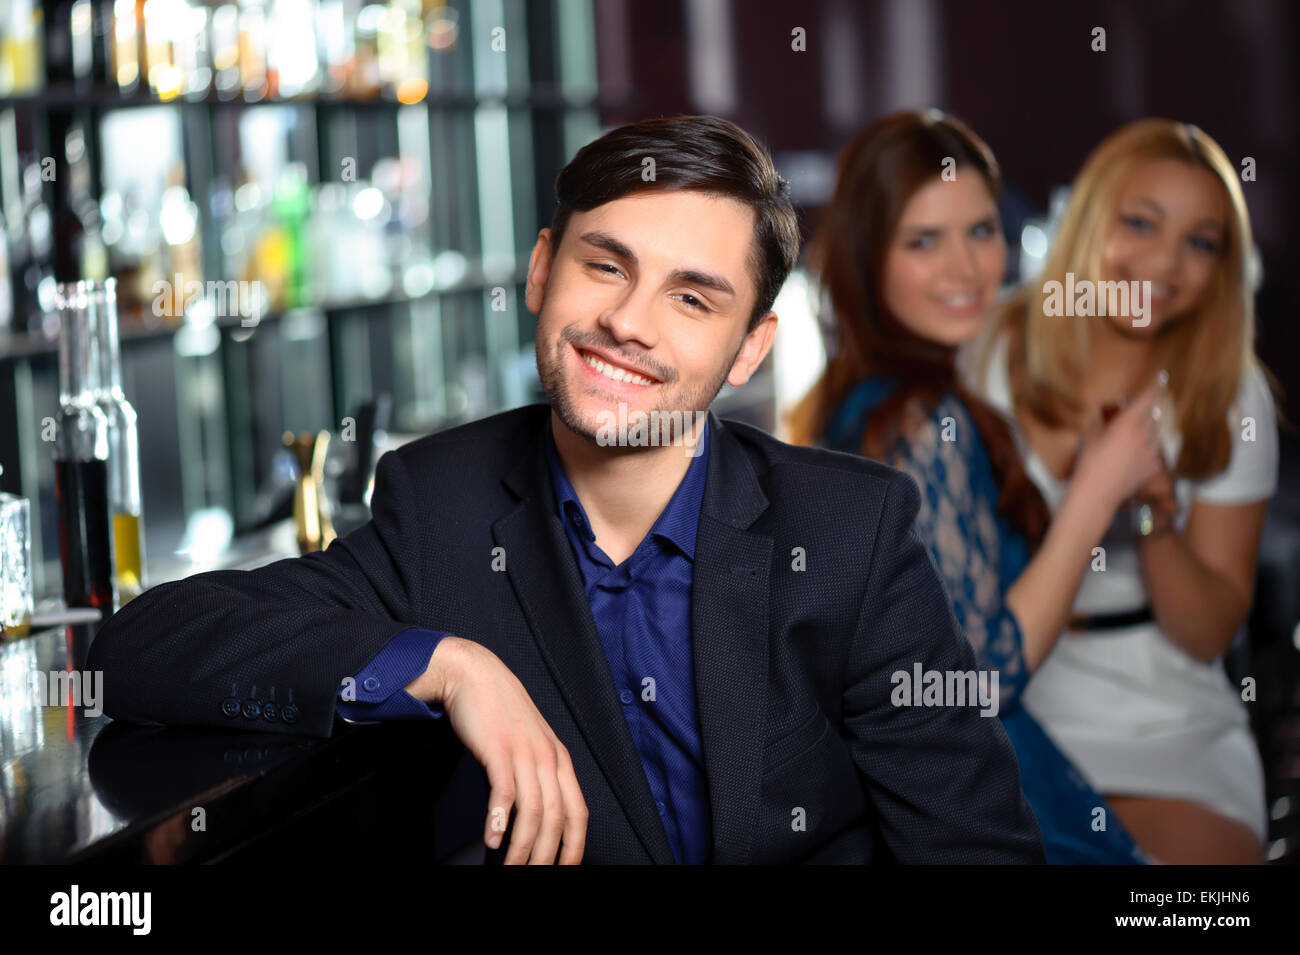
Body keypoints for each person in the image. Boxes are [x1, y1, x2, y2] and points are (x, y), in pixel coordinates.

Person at [87, 115, 1044, 866]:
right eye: (606, 265)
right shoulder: (441, 506)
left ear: (752, 345)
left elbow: (976, 849)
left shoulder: (849, 528)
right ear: (544, 269)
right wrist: (452, 664)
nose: (628, 321)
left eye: (692, 297)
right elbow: (142, 645)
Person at [788, 110, 1154, 864]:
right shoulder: (919, 420)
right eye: (924, 240)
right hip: (989, 796)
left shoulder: (869, 397)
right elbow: (977, 681)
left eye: (981, 231)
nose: (966, 267)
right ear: (868, 256)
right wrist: (1096, 492)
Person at [967, 118, 1278, 864]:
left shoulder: (1232, 393)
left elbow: (1204, 635)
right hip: (1015, 695)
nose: (1165, 264)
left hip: (1165, 711)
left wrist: (1154, 516)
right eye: (1141, 223)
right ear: (1089, 218)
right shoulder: (990, 349)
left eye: (1201, 243)